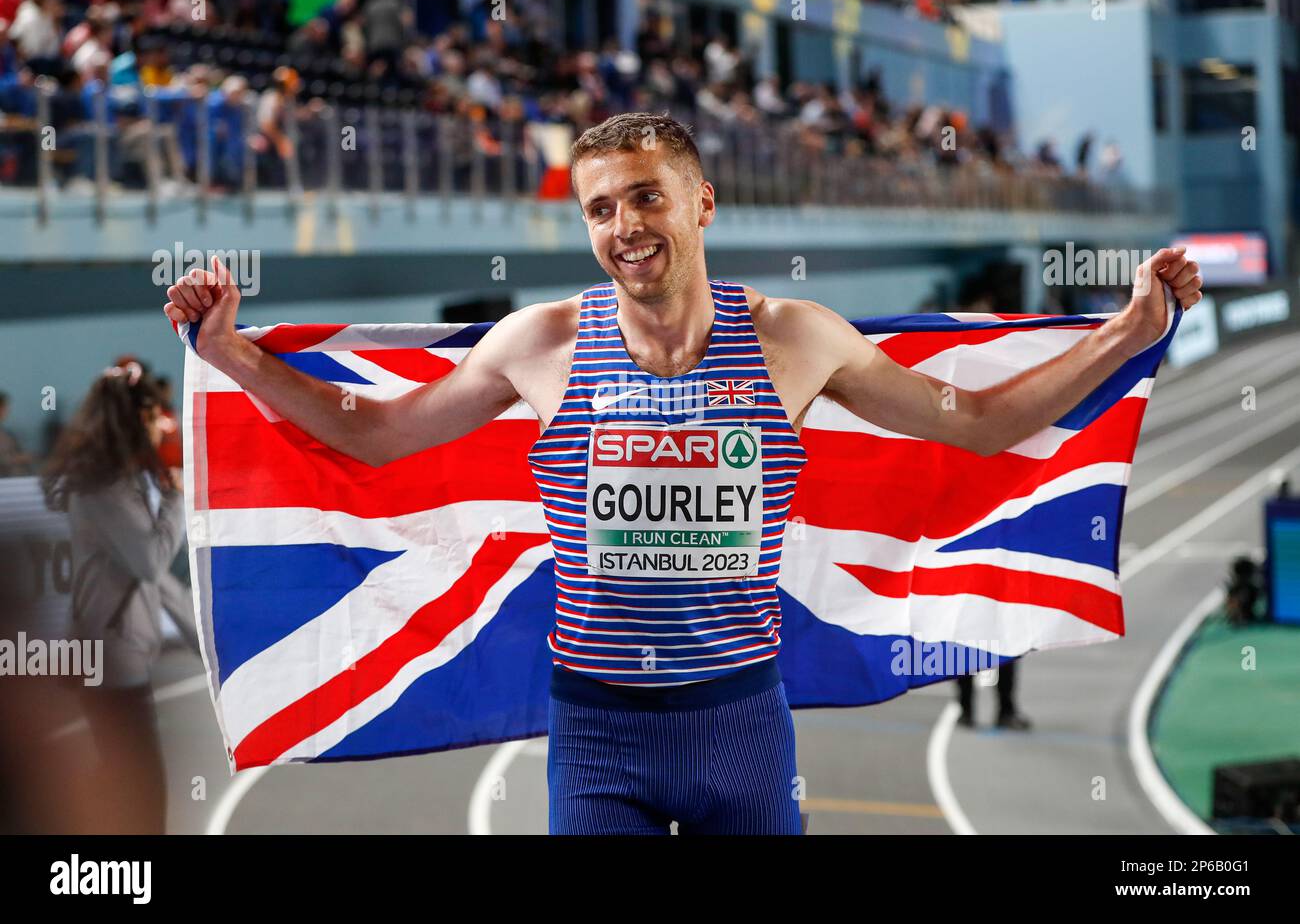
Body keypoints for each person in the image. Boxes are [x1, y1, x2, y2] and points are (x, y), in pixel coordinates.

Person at [163, 111, 1204, 835]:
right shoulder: (542, 343)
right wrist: (232, 355)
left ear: (701, 202)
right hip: (600, 730)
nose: (624, 228)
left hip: (743, 724)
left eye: (645, 198)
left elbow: (974, 424)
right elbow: (379, 433)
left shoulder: (793, 339)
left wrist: (1126, 330)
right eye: (600, 209)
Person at [39, 361, 186, 833]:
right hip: (110, 658)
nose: (162, 426)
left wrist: (204, 636)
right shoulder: (104, 489)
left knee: (125, 781)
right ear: (132, 420)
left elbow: (155, 581)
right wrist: (177, 497)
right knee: (143, 788)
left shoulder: (120, 483)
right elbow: (150, 562)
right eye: (152, 416)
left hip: (117, 654)